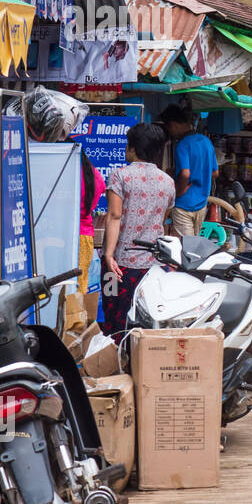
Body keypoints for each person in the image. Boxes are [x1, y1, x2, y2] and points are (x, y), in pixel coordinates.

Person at [102, 123, 174, 341]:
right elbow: (160, 219)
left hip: (119, 265)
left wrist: (108, 255)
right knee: (146, 318)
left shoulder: (120, 176)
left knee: (113, 314)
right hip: (155, 265)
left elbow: (114, 216)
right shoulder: (168, 182)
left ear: (132, 149)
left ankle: (115, 357)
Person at [161, 103, 216, 236]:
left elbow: (185, 174)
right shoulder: (206, 141)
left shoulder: (183, 145)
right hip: (202, 203)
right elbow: (215, 172)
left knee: (187, 247)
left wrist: (178, 192)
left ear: (173, 125)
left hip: (184, 204)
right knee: (194, 244)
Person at [77, 151, 106, 294]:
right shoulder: (92, 173)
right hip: (84, 236)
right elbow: (101, 187)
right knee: (80, 284)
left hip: (59, 234)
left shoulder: (66, 171)